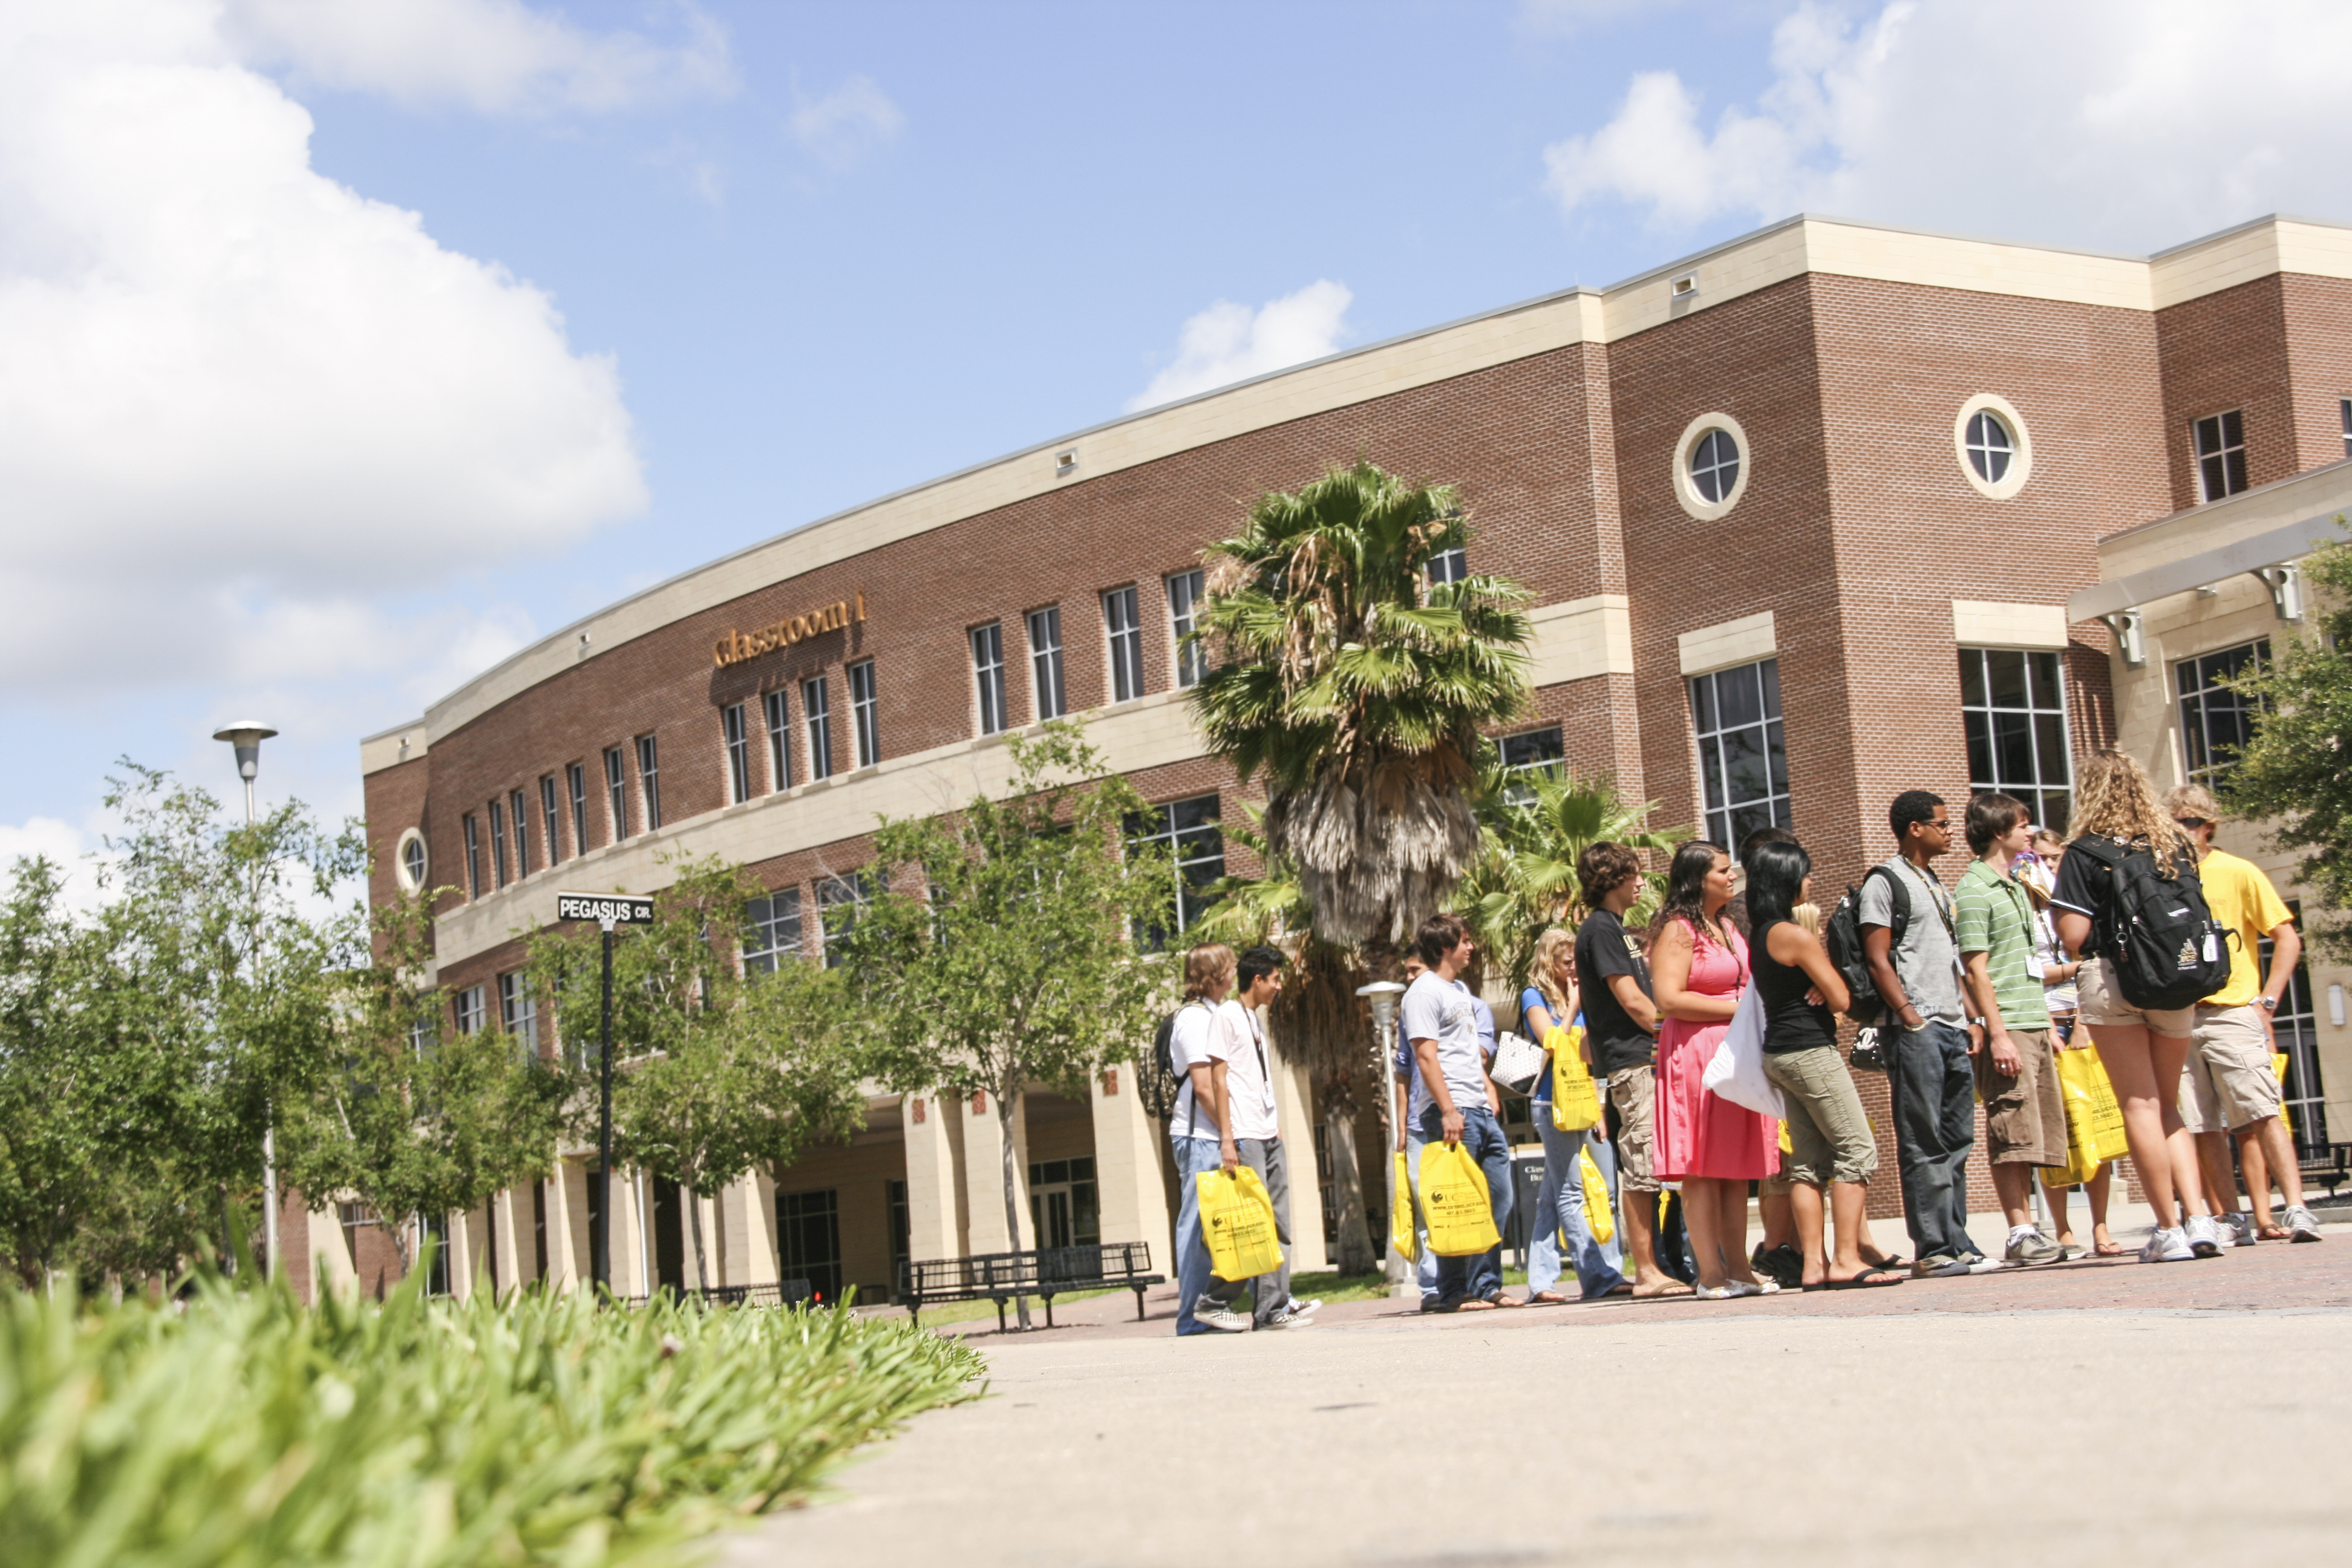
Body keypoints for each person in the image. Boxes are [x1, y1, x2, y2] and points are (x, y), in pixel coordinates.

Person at [2050, 750, 2224, 1263]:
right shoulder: (2175, 845)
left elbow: (2076, 938)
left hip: (2114, 980)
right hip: (2175, 980)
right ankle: (2200, 1219)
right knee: (2169, 1104)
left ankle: (2167, 1229)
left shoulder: (2085, 852)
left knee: (2138, 1105)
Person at [2162, 786, 2324, 1244]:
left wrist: (2266, 1002)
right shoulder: (2161, 877)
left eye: (2190, 822)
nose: (2182, 830)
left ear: (2209, 826)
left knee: (2262, 1111)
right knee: (2200, 1122)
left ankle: (2296, 1207)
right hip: (2179, 1014)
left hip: (2233, 1009)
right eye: (2174, 822)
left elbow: (2286, 937)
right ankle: (2231, 1217)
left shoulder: (2237, 871)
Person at [1748, 839, 1901, 1289]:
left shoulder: (1760, 934)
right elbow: (1841, 998)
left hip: (1779, 1053)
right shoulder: (1794, 934)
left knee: (1808, 1164)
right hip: (1811, 1051)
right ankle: (1847, 1258)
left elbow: (1813, 986)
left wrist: (1813, 981)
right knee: (1857, 1150)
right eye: (1805, 873)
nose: (1810, 881)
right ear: (1785, 880)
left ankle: (1814, 1265)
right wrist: (1822, 982)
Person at [1862, 791, 1990, 1278]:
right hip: (1917, 1029)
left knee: (1958, 1138)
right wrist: (1909, 1015)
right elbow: (1878, 957)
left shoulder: (1936, 883)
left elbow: (1951, 960)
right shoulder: (1886, 881)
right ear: (1915, 828)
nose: (1950, 831)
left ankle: (1959, 1241)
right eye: (1942, 823)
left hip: (1954, 1027)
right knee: (1923, 1140)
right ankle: (1933, 1247)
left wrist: (1972, 1018)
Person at [1650, 840, 1778, 1299]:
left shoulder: (1727, 925)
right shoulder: (1678, 930)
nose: (1732, 877)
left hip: (1734, 1054)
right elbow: (1668, 999)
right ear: (1696, 879)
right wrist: (1733, 1005)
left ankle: (1740, 1268)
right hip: (1695, 1053)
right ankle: (1710, 1273)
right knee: (1702, 1167)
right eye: (1722, 871)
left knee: (1733, 1165)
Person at [1954, 792, 2067, 1265]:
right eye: (2022, 825)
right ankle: (2020, 1231)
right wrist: (1996, 1033)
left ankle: (2039, 1229)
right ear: (2000, 831)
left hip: (2035, 1021)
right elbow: (1976, 970)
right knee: (2011, 1129)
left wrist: (2048, 1026)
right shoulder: (1974, 889)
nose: (2029, 832)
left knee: (2038, 1134)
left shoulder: (2017, 885)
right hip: (2008, 1027)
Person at [1575, 842, 1689, 1298]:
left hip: (1646, 1059)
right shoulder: (1601, 930)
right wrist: (1672, 1029)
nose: (1642, 883)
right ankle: (1646, 1272)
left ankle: (1660, 1264)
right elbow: (1634, 1001)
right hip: (1633, 1062)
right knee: (1640, 1167)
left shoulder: (1618, 930)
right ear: (1613, 878)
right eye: (1635, 874)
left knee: (1654, 1166)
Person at [1404, 912, 1519, 1311]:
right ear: (1444, 948)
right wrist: (1449, 1110)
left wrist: (1488, 1091)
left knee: (1498, 1199)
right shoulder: (1423, 992)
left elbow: (1469, 1055)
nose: (1471, 947)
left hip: (1480, 1110)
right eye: (1464, 941)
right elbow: (1425, 1057)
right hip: (1451, 1113)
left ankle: (1486, 1284)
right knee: (1457, 1203)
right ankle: (1453, 1291)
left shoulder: (1461, 993)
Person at [1201, 946, 1317, 1328]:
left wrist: (1275, 1124)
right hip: (1245, 1136)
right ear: (1258, 980)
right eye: (1276, 979)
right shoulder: (1226, 1017)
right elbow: (1219, 1079)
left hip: (1268, 1132)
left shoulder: (1254, 1019)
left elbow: (1257, 1079)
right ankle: (1214, 1299)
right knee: (1253, 1223)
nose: (1279, 987)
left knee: (1279, 1223)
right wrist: (1227, 1139)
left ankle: (1272, 1309)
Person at [1519, 926, 1628, 1303]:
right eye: (1567, 962)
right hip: (1552, 1104)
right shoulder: (1534, 996)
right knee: (1570, 1192)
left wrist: (1600, 1108)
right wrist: (1573, 1007)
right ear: (1550, 961)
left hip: (1585, 1100)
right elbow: (1552, 1043)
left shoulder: (1579, 995)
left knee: (1590, 1194)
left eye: (1575, 962)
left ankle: (1542, 1281)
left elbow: (1589, 1057)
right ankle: (1599, 1276)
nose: (1573, 969)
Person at [2021, 832, 2117, 1257]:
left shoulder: (2085, 904)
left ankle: (2100, 1226)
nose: (2051, 865)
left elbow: (2097, 964)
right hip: (2044, 1024)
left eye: (2056, 857)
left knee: (2097, 1125)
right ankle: (2061, 1228)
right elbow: (2025, 973)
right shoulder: (2025, 907)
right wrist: (2045, 1022)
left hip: (2084, 1020)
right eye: (2041, 858)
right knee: (2055, 1130)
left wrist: (2083, 1023)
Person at [1168, 943, 1250, 1334]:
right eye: (1231, 966)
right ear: (1217, 973)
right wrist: (1229, 1135)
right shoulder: (1195, 1019)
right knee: (1197, 1227)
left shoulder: (1215, 1014)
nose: (1236, 972)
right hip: (1201, 1136)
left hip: (1213, 1134)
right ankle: (1191, 1319)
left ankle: (1210, 1309)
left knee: (1219, 1227)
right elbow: (1204, 1087)